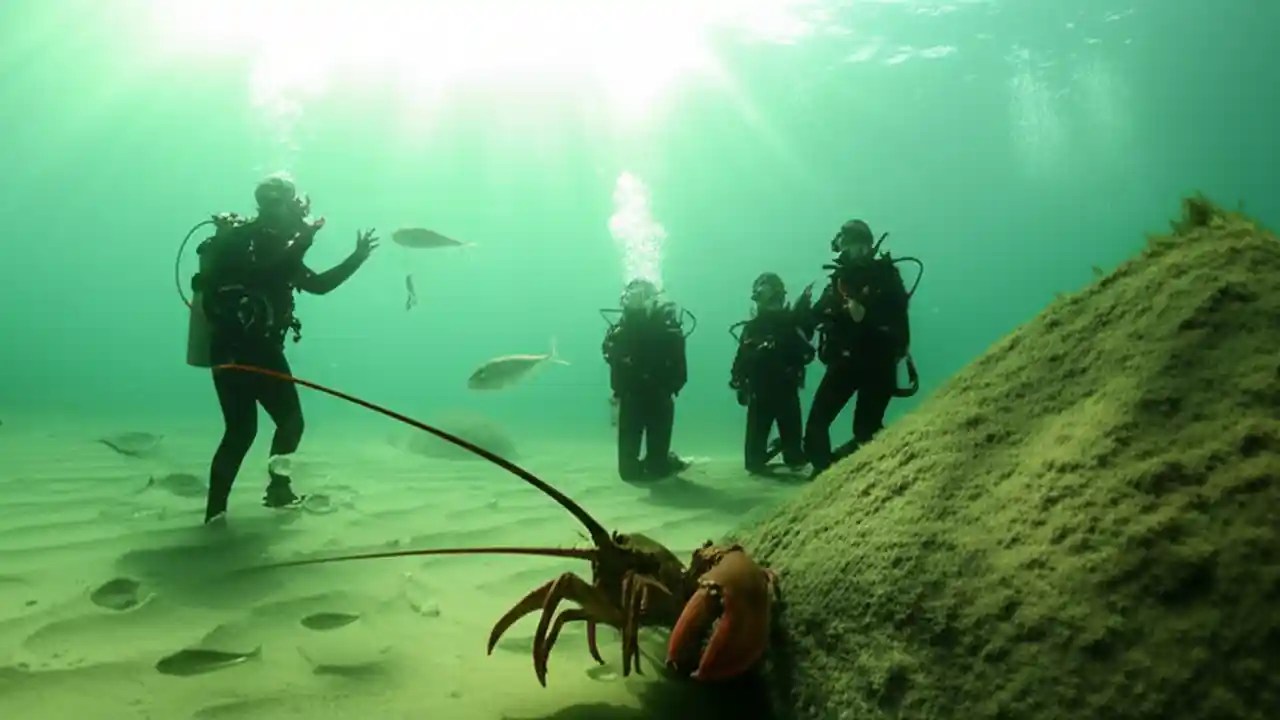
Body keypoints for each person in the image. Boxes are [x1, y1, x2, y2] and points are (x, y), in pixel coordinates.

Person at [191, 175, 378, 523]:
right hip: (257, 349)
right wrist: (311, 243)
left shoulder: (239, 240)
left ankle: (214, 514)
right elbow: (300, 280)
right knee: (291, 423)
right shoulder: (267, 243)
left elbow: (305, 282)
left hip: (223, 350)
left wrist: (353, 255)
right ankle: (278, 491)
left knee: (239, 432)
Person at [799, 219, 912, 478]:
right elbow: (817, 316)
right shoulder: (839, 281)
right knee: (815, 428)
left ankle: (859, 471)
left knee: (866, 430)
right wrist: (803, 315)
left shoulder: (885, 275)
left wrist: (866, 315)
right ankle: (826, 475)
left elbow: (896, 314)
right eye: (846, 246)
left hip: (878, 363)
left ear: (867, 246)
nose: (850, 252)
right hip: (845, 362)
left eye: (856, 245)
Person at [602, 278, 691, 481]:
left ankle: (666, 460)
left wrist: (668, 386)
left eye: (640, 295)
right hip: (630, 399)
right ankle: (658, 460)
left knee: (657, 470)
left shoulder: (666, 327)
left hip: (660, 398)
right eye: (630, 295)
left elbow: (679, 365)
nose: (634, 301)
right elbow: (608, 354)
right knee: (628, 474)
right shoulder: (619, 330)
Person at [729, 272, 816, 474]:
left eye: (769, 296)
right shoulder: (752, 328)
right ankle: (776, 447)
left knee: (795, 459)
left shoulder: (792, 323)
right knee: (753, 463)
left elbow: (807, 352)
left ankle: (788, 447)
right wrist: (738, 382)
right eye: (760, 296)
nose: (766, 304)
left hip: (786, 391)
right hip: (759, 394)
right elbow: (740, 357)